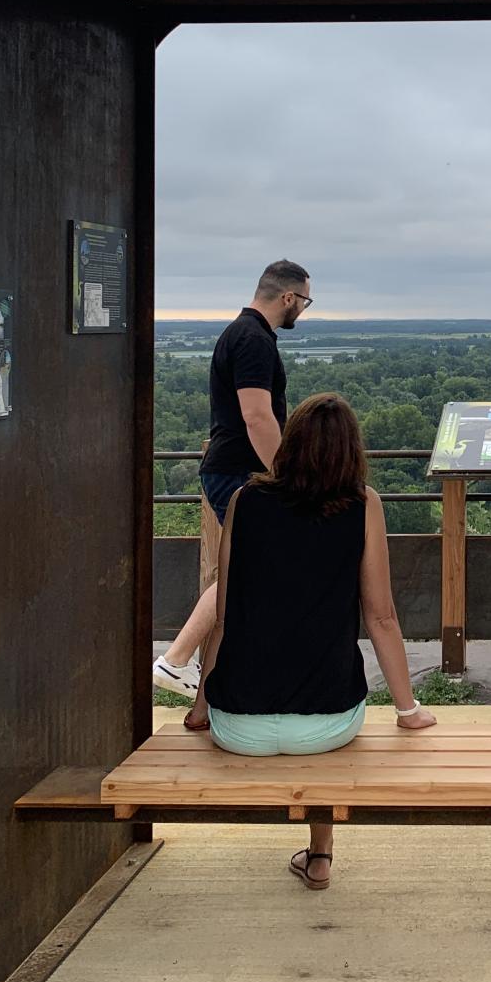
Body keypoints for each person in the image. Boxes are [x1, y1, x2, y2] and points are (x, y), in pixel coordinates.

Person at [188, 393, 436, 890]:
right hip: (328, 723)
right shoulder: (363, 504)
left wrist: (201, 709)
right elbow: (381, 616)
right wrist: (408, 711)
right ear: (352, 451)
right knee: (319, 738)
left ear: (290, 443)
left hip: (239, 725)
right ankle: (320, 854)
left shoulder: (244, 501)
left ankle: (317, 853)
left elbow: (226, 616)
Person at [151, 259, 311, 703]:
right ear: (288, 297)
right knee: (252, 569)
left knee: (254, 568)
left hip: (234, 470)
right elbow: (257, 416)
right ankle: (178, 659)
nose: (303, 309)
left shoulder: (243, 334)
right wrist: (284, 475)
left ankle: (202, 664)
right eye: (305, 301)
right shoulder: (254, 340)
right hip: (241, 472)